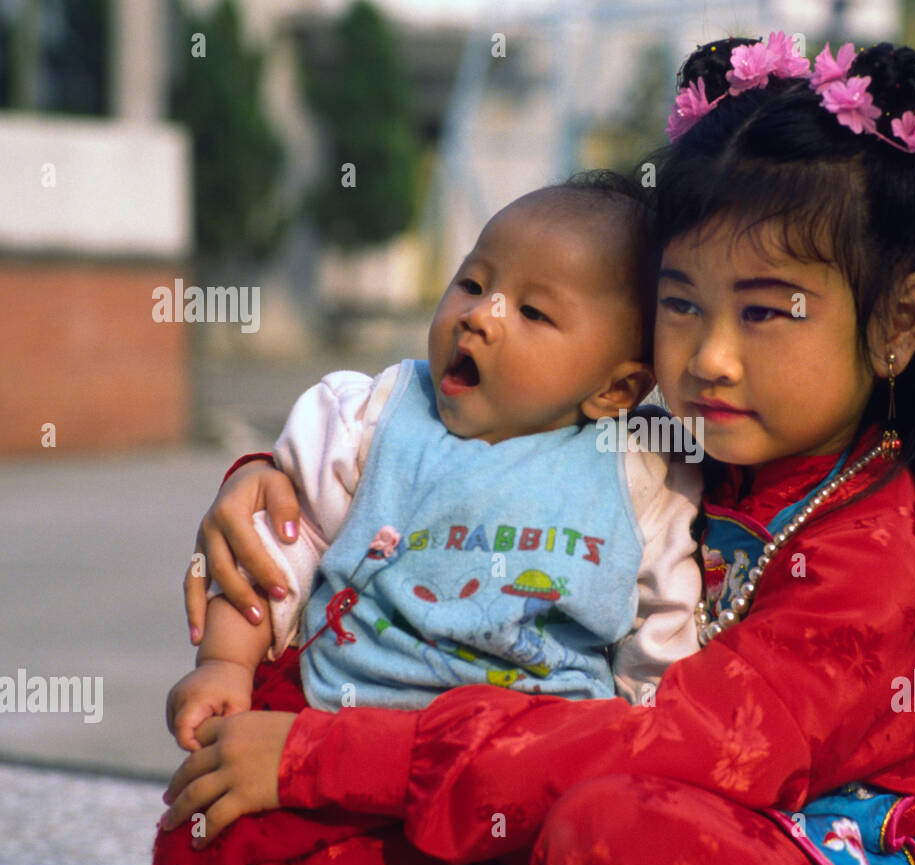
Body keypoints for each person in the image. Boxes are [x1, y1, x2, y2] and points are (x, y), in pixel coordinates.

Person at [160, 34, 915, 865]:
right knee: (229, 809)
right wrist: (275, 486)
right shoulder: (671, 441)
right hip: (566, 772)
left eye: (764, 310)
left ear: (895, 323)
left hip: (797, 845)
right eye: (680, 303)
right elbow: (469, 453)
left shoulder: (886, 552)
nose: (710, 358)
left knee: (616, 829)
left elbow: (685, 745)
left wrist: (342, 755)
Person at [163, 175, 703, 760]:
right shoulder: (376, 418)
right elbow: (275, 550)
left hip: (527, 760)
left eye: (532, 311)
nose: (479, 317)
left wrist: (643, 753)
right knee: (214, 833)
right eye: (472, 283)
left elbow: (663, 633)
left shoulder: (638, 473)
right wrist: (224, 663)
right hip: (339, 727)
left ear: (616, 387)